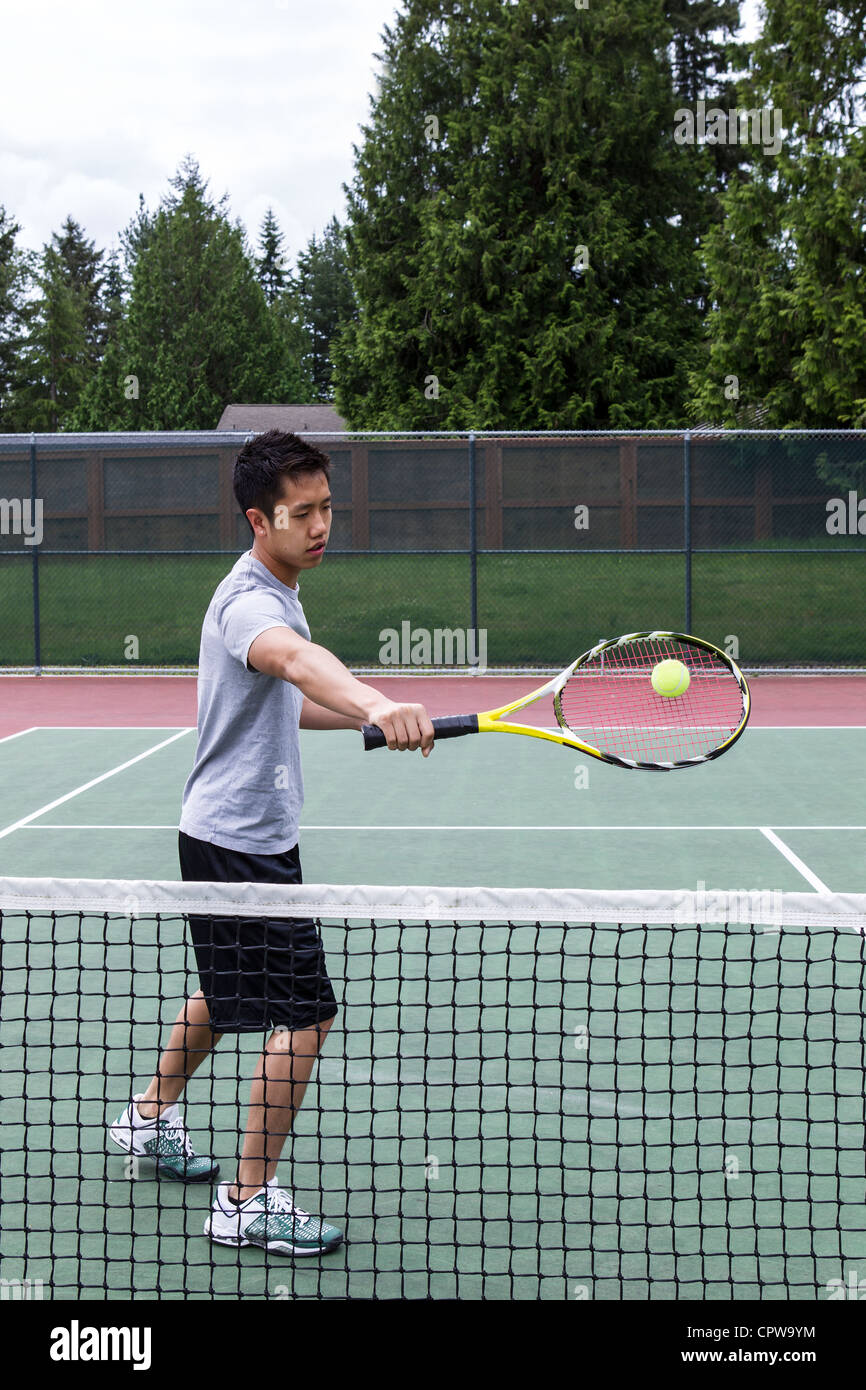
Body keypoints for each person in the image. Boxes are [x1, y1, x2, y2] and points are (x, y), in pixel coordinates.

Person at [109, 429, 434, 1256]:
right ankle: (245, 1201)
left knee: (227, 996)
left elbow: (287, 698)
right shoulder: (250, 603)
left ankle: (146, 1120)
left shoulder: (279, 584)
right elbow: (293, 660)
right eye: (304, 513)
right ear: (261, 519)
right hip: (240, 847)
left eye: (328, 507)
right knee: (308, 1015)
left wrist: (370, 718)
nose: (323, 525)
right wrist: (370, 698)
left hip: (227, 835)